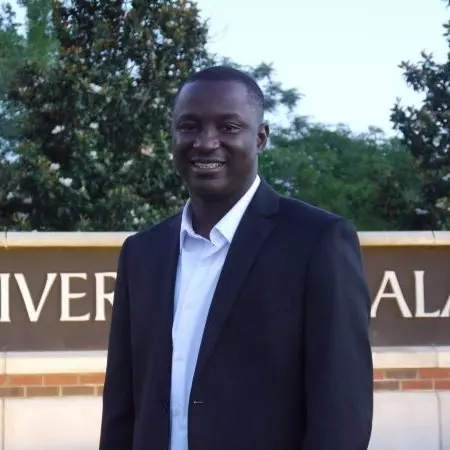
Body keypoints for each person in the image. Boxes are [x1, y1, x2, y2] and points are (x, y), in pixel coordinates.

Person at [99, 65, 373, 450]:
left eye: (228, 127)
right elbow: (121, 410)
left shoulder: (317, 242)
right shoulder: (142, 253)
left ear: (260, 138)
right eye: (190, 126)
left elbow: (342, 412)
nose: (206, 142)